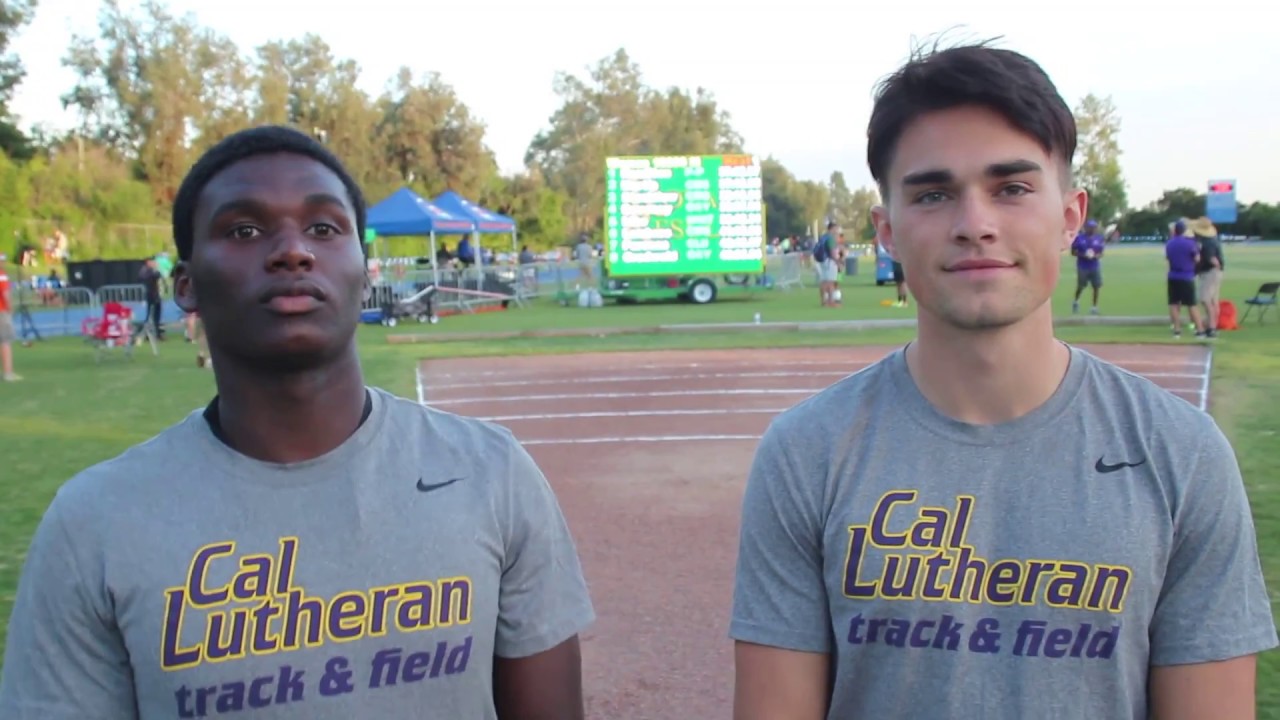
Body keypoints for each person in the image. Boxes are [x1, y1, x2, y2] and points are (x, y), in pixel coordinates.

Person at [729, 41, 1276, 720]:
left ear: (1070, 217)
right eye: (933, 194)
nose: (974, 225)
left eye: (1011, 188)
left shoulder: (1182, 457)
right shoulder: (808, 453)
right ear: (888, 231)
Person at [0, 125, 596, 719]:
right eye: (244, 230)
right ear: (186, 285)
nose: (293, 250)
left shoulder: (492, 475)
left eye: (323, 228)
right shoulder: (92, 524)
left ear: (365, 271)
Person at [1166, 220, 1207, 339]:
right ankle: (1199, 330)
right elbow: (1197, 259)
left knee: (1173, 303)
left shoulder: (1170, 243)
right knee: (1191, 304)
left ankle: (1177, 330)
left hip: (1173, 276)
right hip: (1186, 276)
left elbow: (1169, 259)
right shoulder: (1190, 243)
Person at [1192, 218, 1224, 337]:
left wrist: (1215, 268)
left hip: (1210, 272)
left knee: (1205, 299)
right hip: (1214, 272)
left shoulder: (1206, 243)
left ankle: (1211, 327)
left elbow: (1213, 259)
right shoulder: (1211, 240)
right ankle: (1212, 326)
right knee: (1213, 301)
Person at [1071, 218, 1106, 314]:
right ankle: (1076, 301)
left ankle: (1094, 307)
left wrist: (1095, 256)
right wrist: (1084, 255)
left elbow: (1101, 253)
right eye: (1090, 227)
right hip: (1082, 266)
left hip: (1094, 266)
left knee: (1096, 287)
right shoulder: (1079, 238)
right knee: (1081, 286)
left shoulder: (1099, 239)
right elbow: (1073, 252)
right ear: (1086, 227)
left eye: (1093, 227)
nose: (1092, 229)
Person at [0, 252, 19, 381]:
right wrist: (10, 308)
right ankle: (8, 372)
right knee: (5, 341)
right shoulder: (2, 275)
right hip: (1, 311)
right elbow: (5, 293)